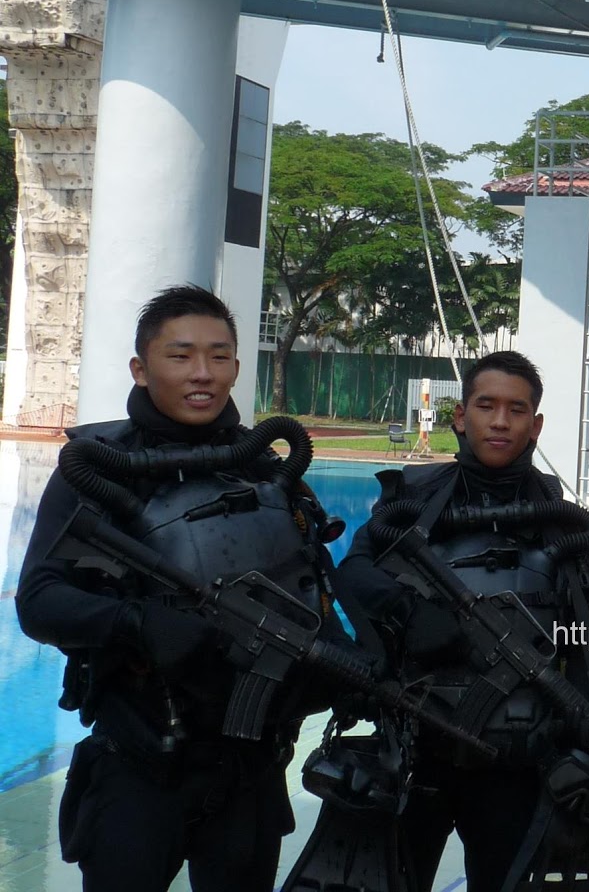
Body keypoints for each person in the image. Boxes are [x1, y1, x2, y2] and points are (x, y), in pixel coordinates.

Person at [16, 284, 338, 892]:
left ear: (236, 368)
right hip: (139, 767)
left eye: (219, 356)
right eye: (181, 355)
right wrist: (134, 623)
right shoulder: (98, 467)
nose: (203, 374)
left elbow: (312, 587)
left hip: (250, 772)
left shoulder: (267, 473)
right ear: (140, 369)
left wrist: (336, 663)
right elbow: (39, 601)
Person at [336, 350, 589, 892]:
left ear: (535, 425)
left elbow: (581, 635)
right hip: (416, 754)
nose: (500, 421)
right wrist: (408, 611)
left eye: (517, 410)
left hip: (516, 764)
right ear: (460, 415)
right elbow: (351, 571)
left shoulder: (560, 521)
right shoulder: (413, 501)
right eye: (486, 405)